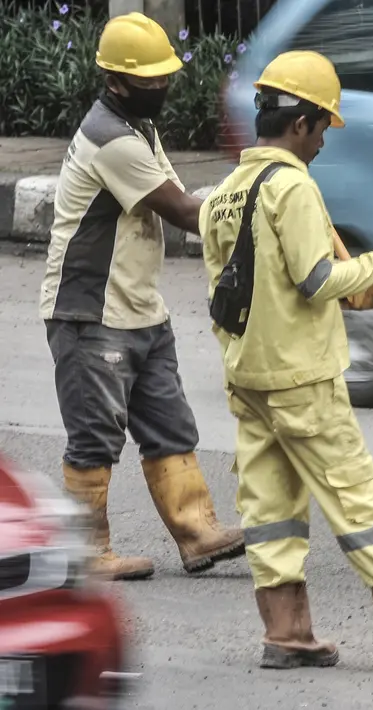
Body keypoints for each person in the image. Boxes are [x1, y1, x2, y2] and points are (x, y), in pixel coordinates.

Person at [199, 50, 373, 675]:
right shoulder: (292, 188)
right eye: (321, 130)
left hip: (248, 378)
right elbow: (315, 282)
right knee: (360, 503)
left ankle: (286, 633)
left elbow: (236, 293)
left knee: (270, 510)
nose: (321, 145)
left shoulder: (222, 197)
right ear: (302, 123)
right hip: (302, 379)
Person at [40, 12, 244, 581]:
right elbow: (182, 210)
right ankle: (88, 553)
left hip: (139, 307)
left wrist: (233, 199)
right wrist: (256, 207)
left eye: (165, 77)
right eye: (151, 80)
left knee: (169, 425)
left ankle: (197, 532)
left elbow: (182, 194)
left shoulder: (138, 128)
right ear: (117, 82)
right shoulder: (110, 138)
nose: (163, 87)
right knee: (95, 435)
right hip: (89, 311)